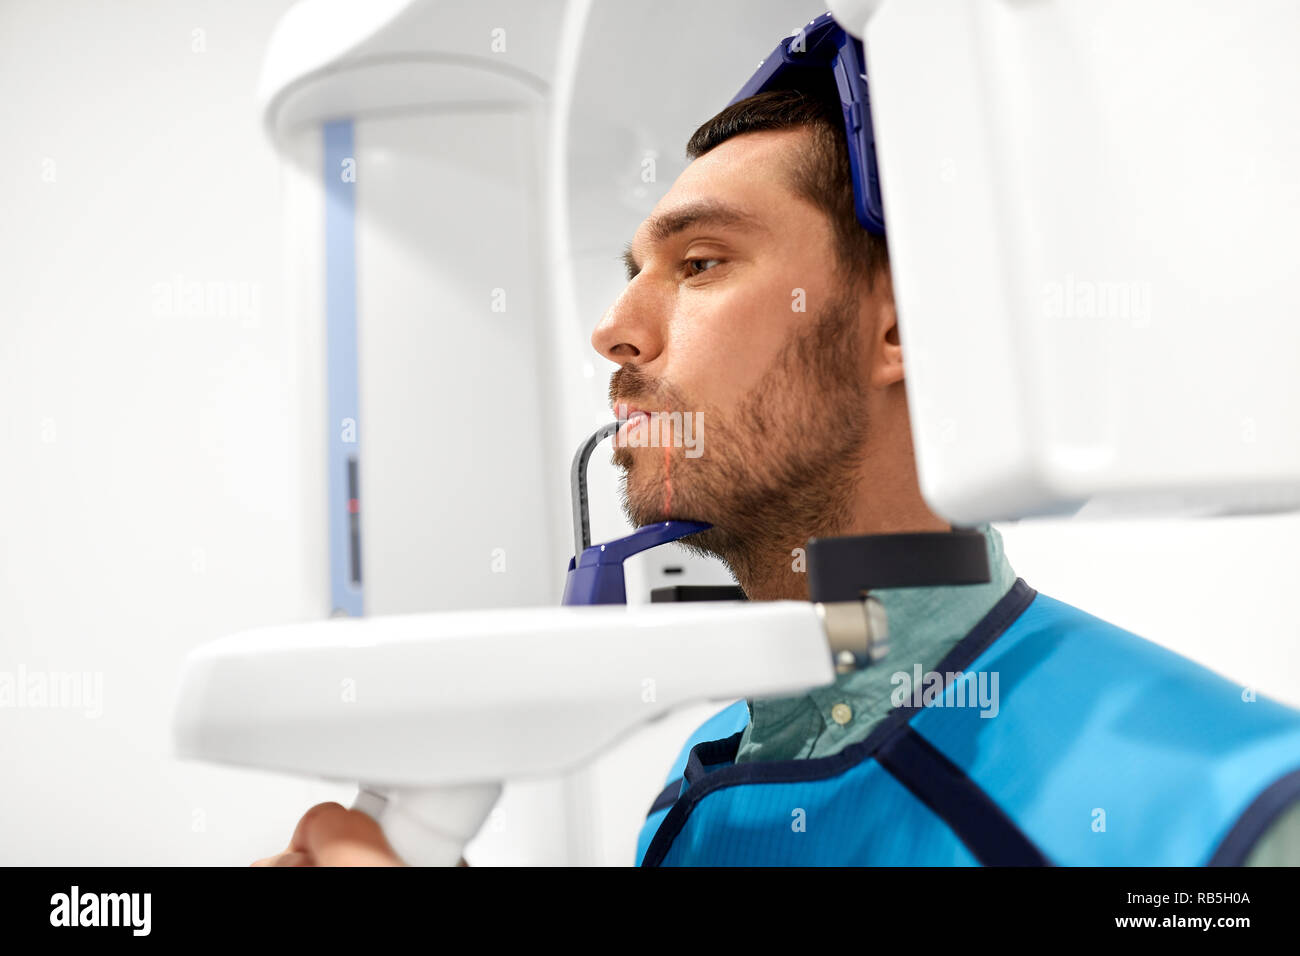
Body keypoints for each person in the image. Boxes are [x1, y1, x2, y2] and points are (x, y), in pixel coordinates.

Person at [255, 86, 1300, 867]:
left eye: (699, 262)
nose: (613, 329)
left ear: (894, 322)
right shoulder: (700, 784)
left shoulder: (1233, 810)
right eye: (631, 278)